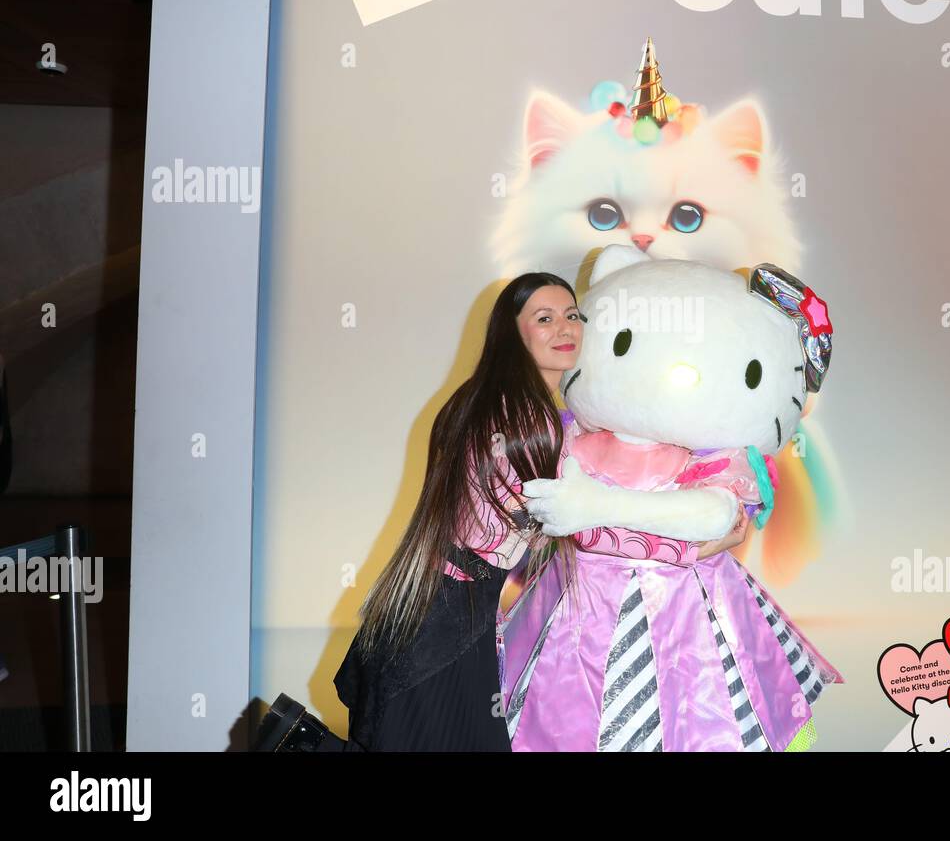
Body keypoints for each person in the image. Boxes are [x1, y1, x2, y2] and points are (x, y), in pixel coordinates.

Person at [254, 272, 744, 751]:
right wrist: (693, 547)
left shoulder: (489, 403)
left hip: (435, 606)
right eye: (545, 318)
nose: (565, 328)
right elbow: (585, 529)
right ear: (514, 333)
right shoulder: (527, 419)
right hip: (449, 618)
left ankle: (293, 740)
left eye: (572, 315)